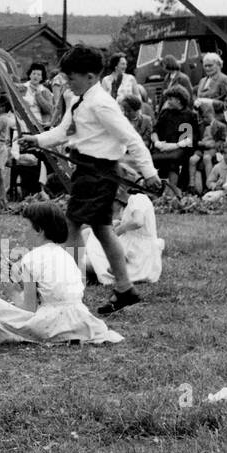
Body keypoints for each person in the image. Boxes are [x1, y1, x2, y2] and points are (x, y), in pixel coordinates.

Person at [19, 44, 162, 315]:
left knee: (72, 227)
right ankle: (124, 288)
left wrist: (150, 173)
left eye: (72, 77)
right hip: (86, 170)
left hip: (99, 172)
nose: (67, 82)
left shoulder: (102, 104)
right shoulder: (79, 100)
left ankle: (71, 291)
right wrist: (37, 139)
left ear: (91, 76)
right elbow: (63, 130)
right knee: (101, 229)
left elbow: (131, 139)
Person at [0, 202, 123, 344]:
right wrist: (21, 277)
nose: (24, 230)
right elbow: (51, 286)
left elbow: (29, 310)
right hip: (81, 320)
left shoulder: (30, 259)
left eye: (26, 225)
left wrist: (13, 293)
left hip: (49, 325)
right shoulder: (66, 255)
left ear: (39, 230)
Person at [82, 174, 164, 286]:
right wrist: (119, 224)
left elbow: (138, 222)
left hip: (138, 257)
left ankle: (76, 270)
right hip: (135, 253)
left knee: (85, 259)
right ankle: (79, 267)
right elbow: (136, 223)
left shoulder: (138, 198)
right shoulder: (133, 201)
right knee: (88, 234)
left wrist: (121, 229)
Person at [150, 85, 198, 194]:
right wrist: (157, 143)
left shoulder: (190, 115)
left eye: (170, 99)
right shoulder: (165, 113)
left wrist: (175, 145)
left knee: (174, 161)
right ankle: (154, 190)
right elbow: (154, 131)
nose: (168, 102)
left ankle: (172, 191)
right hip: (162, 147)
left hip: (181, 149)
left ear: (179, 100)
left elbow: (191, 138)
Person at [19, 63, 55, 128]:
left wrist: (39, 96)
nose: (35, 76)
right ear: (30, 75)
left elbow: (50, 109)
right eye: (34, 74)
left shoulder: (45, 91)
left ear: (42, 77)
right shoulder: (21, 88)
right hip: (21, 118)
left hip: (38, 121)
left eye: (39, 75)